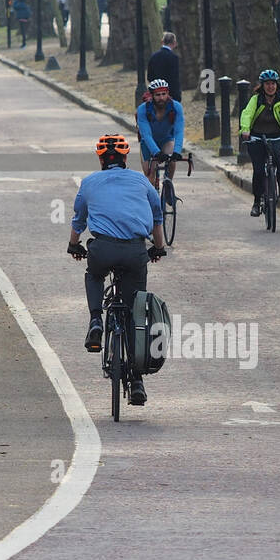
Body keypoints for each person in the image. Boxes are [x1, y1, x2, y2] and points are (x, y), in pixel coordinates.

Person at [67, 133, 166, 406]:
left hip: (103, 249)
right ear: (125, 158)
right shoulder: (141, 181)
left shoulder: (88, 183)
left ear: (101, 159)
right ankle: (136, 382)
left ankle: (96, 320)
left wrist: (73, 246)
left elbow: (79, 220)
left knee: (95, 273)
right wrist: (157, 248)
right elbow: (157, 217)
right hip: (135, 252)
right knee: (135, 313)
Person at [238, 69, 280, 215]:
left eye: (273, 83)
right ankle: (256, 202)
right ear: (262, 85)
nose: (270, 86)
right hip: (257, 137)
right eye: (267, 84)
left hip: (278, 136)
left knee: (276, 156)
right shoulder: (256, 99)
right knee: (258, 170)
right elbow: (247, 114)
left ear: (277, 85)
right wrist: (245, 130)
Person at [137, 78, 186, 188]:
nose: (161, 98)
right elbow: (146, 135)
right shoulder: (143, 110)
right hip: (148, 143)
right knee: (150, 176)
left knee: (172, 161)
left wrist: (177, 152)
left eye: (164, 94)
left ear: (168, 93)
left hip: (166, 139)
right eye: (157, 95)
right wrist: (156, 153)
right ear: (152, 96)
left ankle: (168, 185)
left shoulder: (176, 107)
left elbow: (178, 132)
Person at [146, 32, 181, 101]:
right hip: (171, 94)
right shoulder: (174, 57)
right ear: (174, 43)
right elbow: (175, 78)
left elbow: (149, 77)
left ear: (162, 42)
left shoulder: (153, 56)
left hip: (156, 93)